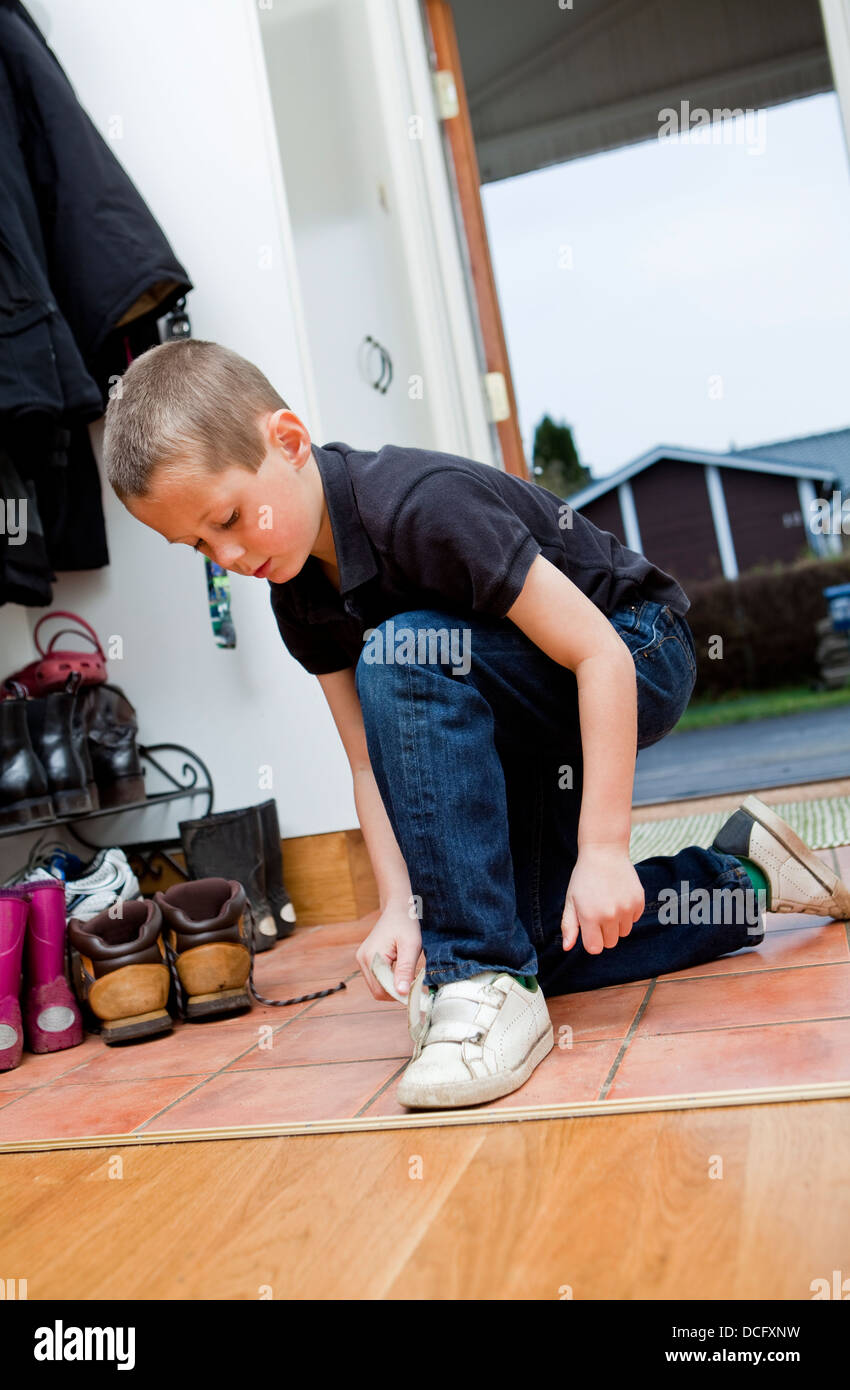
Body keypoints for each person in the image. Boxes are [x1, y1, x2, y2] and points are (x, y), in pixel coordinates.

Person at [102, 339, 850, 1110]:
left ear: (288, 442)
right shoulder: (297, 595)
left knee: (401, 655)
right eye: (197, 545)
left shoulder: (422, 505)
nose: (226, 554)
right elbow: (367, 763)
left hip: (635, 649)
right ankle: (745, 877)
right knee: (543, 943)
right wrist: (400, 905)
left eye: (228, 518)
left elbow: (599, 656)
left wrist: (603, 852)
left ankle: (479, 977)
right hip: (511, 703)